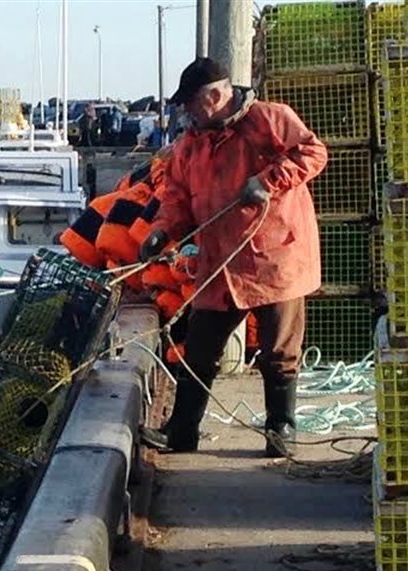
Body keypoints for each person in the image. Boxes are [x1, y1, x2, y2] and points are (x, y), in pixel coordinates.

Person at [138, 57, 328, 458]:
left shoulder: (269, 119)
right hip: (221, 263)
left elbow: (313, 152)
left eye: (191, 103)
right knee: (201, 348)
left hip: (277, 257)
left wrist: (268, 181)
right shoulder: (190, 146)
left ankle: (281, 429)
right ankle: (181, 432)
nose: (186, 111)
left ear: (214, 95)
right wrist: (162, 231)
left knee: (279, 350)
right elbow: (176, 200)